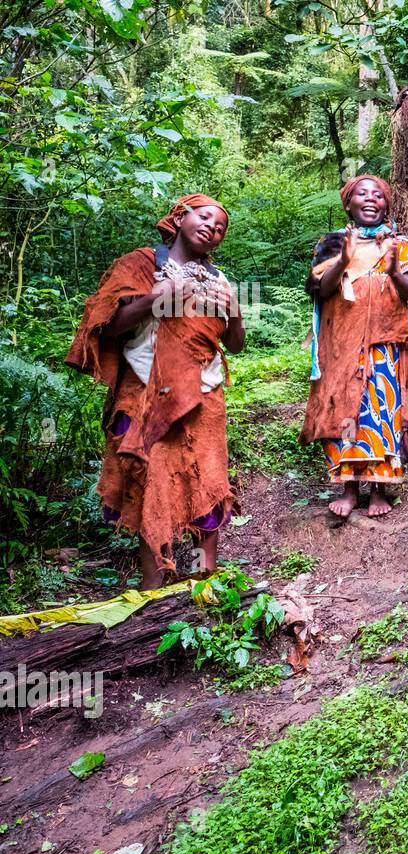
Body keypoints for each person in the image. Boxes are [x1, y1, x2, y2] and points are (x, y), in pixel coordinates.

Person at [66, 194, 244, 587]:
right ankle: (153, 586)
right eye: (205, 217)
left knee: (207, 481)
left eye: (220, 227)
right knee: (152, 481)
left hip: (204, 393)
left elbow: (235, 344)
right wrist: (155, 299)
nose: (212, 227)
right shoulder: (144, 264)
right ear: (180, 217)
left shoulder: (220, 281)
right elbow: (108, 325)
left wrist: (233, 309)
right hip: (146, 390)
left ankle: (204, 578)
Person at [301, 175, 408, 519]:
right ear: (349, 203)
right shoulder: (331, 243)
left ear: (386, 205)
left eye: (378, 196)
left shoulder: (397, 243)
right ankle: (350, 487)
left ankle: (380, 490)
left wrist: (394, 269)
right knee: (345, 411)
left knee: (381, 410)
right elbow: (322, 291)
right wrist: (343, 260)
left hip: (383, 343)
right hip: (341, 343)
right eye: (362, 194)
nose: (370, 200)